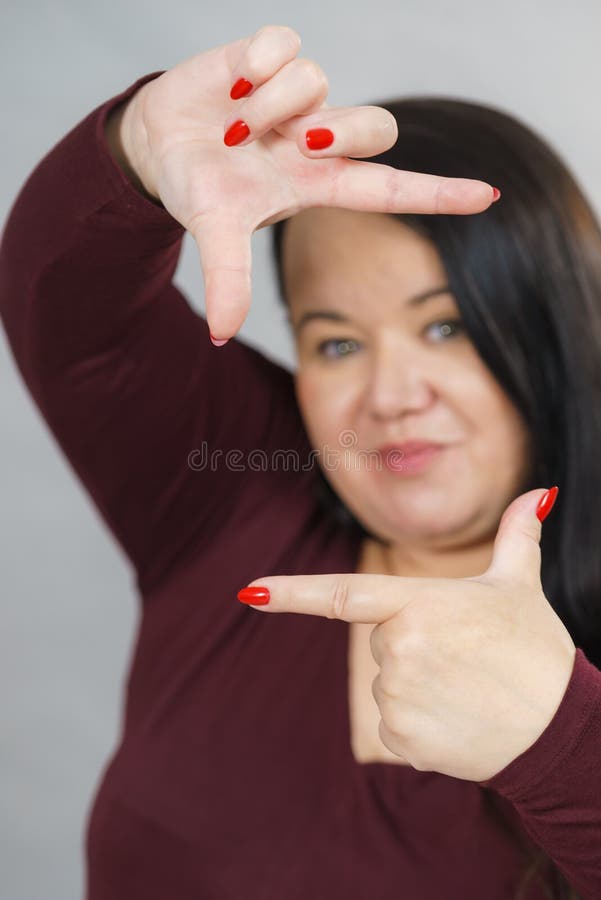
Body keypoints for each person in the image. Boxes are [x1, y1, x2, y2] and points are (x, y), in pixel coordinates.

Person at [1, 23, 600, 900]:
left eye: (445, 327)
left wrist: (561, 744)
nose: (391, 395)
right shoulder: (238, 493)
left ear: (550, 332)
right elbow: (69, 313)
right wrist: (138, 152)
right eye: (335, 343)